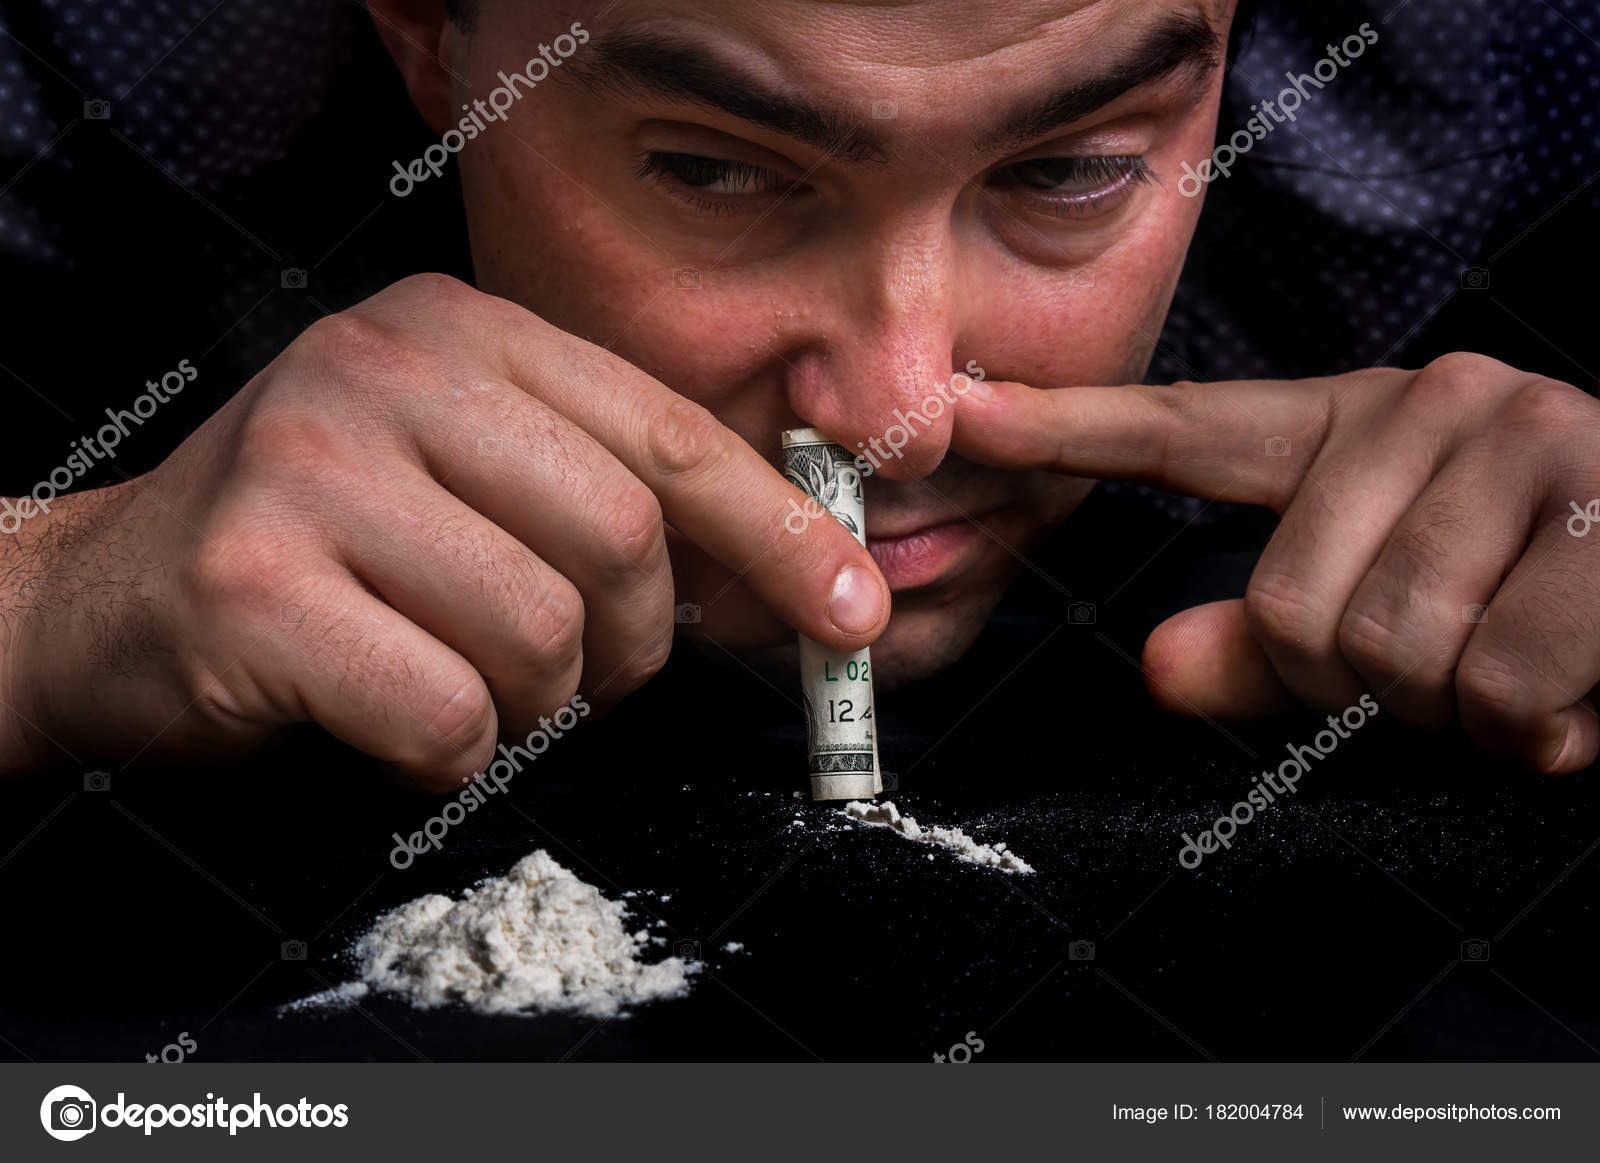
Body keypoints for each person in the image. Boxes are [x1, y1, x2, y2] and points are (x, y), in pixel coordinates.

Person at [0, 0, 1595, 786]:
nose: (899, 407)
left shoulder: (1493, 71)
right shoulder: (90, 75)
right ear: (428, 31)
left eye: (1071, 170)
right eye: (711, 170)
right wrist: (49, 589)